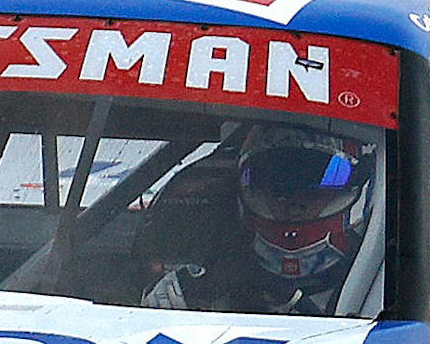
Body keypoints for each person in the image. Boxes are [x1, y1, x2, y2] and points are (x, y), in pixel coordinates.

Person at [138, 135, 383, 317]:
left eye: (312, 193)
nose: (291, 209)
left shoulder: (395, 291)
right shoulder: (197, 288)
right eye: (275, 191)